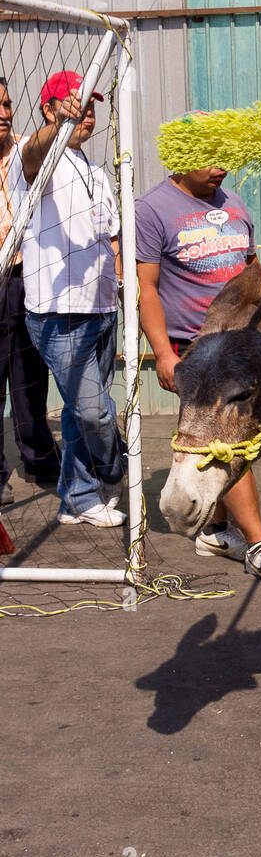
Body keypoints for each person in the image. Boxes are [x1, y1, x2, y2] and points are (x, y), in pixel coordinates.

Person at [136, 159, 261, 585]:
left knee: (233, 436)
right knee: (224, 440)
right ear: (180, 158)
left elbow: (252, 268)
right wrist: (162, 353)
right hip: (195, 348)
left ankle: (213, 531)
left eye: (224, 161)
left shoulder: (233, 201)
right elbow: (146, 289)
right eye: (208, 162)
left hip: (243, 342)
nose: (220, 170)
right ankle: (260, 545)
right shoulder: (152, 209)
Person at [19, 71, 126, 526]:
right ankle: (119, 469)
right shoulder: (42, 161)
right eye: (74, 105)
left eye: (91, 106)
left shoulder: (96, 172)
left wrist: (123, 288)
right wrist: (54, 129)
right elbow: (28, 158)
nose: (86, 114)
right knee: (95, 413)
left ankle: (78, 498)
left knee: (78, 416)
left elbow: (113, 237)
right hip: (57, 312)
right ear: (50, 109)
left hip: (101, 308)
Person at [0, 77, 62, 503]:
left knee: (30, 378)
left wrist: (58, 122)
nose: (4, 113)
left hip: (26, 277)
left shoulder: (23, 148)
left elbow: (36, 149)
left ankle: (40, 457)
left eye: (6, 103)